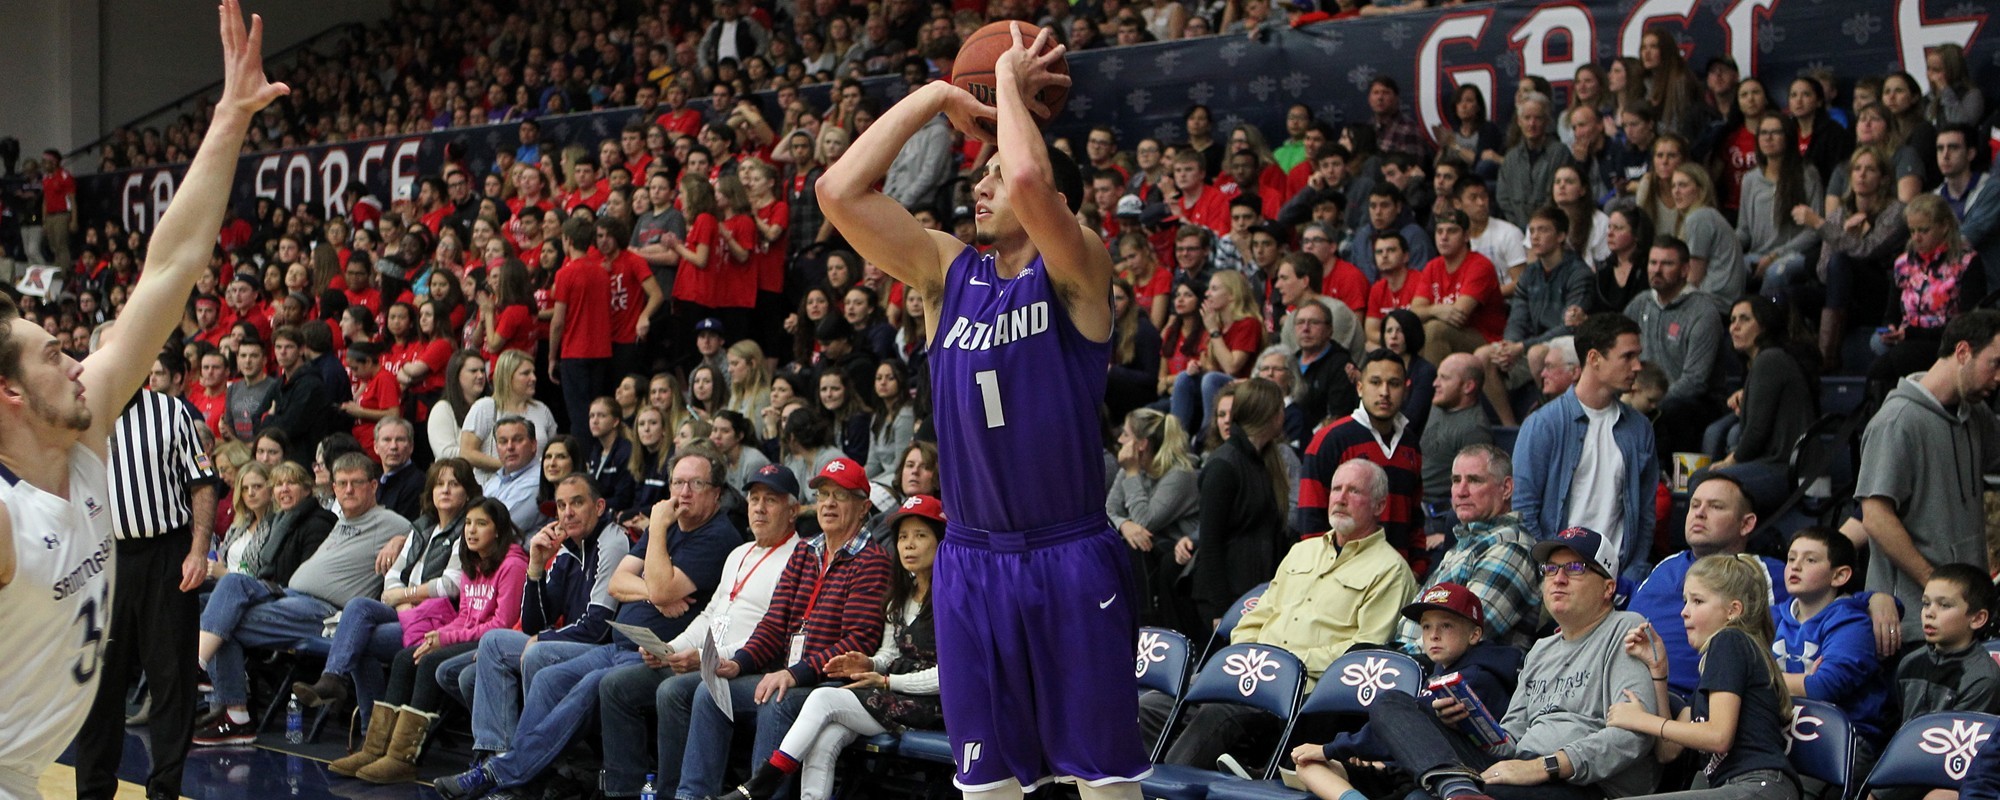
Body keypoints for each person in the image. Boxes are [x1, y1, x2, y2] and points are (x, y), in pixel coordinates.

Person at [816, 22, 1153, 797]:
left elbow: (1035, 185)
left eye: (995, 173)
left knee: (1102, 778)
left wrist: (1003, 80)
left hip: (1068, 554)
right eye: (981, 173)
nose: (982, 185)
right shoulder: (945, 271)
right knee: (989, 781)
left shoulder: (1079, 266)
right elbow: (838, 191)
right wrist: (939, 94)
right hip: (970, 560)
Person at [0, 7, 280, 790]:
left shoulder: (83, 437)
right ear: (12, 394)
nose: (80, 364)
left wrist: (228, 119)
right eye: (56, 354)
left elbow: (172, 265)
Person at [435, 455, 739, 798]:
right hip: (620, 645)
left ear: (716, 493)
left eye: (695, 484)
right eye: (677, 483)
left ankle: (499, 774)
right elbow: (619, 584)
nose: (683, 493)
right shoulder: (572, 546)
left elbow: (656, 589)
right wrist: (536, 568)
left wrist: (656, 532)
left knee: (590, 682)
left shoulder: (714, 535)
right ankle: (512, 773)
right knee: (545, 676)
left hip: (656, 654)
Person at [1144, 459, 1417, 769]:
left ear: (1380, 505)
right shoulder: (1302, 551)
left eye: (1354, 491)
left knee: (1214, 715)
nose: (1340, 498)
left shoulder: (1391, 571)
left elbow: (1364, 653)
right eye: (1336, 488)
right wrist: (1249, 658)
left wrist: (1282, 665)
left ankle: (1170, 790)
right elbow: (1256, 617)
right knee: (1150, 705)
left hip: (1299, 696)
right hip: (1247, 675)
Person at [1349, 527, 1660, 800]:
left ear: (1608, 588)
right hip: (1519, 767)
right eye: (1550, 569)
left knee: (1423, 795)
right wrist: (1469, 725)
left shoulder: (1626, 630)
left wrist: (1542, 767)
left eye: (1575, 568)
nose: (1558, 579)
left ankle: (1456, 788)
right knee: (1391, 702)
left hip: (1583, 783)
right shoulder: (1541, 649)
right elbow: (1510, 740)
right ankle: (1455, 787)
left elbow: (1631, 737)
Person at [713, 494, 947, 800]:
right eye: (903, 536)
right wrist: (868, 664)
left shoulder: (953, 600)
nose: (908, 545)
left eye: (920, 535)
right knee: (825, 739)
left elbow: (950, 676)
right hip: (889, 696)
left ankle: (761, 784)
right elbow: (889, 655)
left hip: (934, 705)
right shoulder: (899, 598)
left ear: (941, 541)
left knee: (824, 698)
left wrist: (889, 680)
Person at [194, 454, 409, 746]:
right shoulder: (342, 520)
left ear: (373, 486)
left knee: (222, 623)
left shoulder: (391, 522)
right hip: (287, 594)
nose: (348, 490)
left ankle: (233, 712)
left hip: (322, 611)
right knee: (230, 585)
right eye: (342, 484)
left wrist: (401, 540)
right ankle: (206, 673)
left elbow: (425, 528)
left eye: (356, 483)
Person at [75, 383, 221, 800]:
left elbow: (203, 482)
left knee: (172, 681)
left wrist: (198, 550)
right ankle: (92, 791)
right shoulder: (80, 412)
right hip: (103, 558)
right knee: (99, 685)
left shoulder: (172, 412)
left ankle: (164, 792)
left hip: (166, 554)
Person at [318, 497, 526, 783]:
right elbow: (465, 614)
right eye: (467, 523)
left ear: (499, 530)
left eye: (481, 524)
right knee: (407, 657)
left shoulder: (513, 565)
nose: (471, 531)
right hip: (468, 633)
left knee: (427, 663)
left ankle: (403, 758)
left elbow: (500, 625)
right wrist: (439, 635)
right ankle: (375, 748)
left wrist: (445, 637)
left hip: (491, 643)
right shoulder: (472, 561)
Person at [289, 458, 481, 717]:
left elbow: (452, 584)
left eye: (454, 484)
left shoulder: (467, 531)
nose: (445, 490)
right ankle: (333, 679)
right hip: (407, 612)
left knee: (360, 639)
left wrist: (404, 596)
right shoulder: (422, 527)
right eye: (439, 484)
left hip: (439, 617)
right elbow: (392, 574)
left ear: (467, 492)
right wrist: (403, 604)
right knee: (358, 607)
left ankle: (371, 728)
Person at [1855, 310, 2000, 648]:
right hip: (1917, 621)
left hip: (1965, 617)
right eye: (1994, 363)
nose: (1998, 378)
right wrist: (1937, 586)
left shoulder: (1973, 414)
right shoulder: (1897, 421)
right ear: (1963, 352)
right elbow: (1875, 518)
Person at [1608, 554, 1799, 800]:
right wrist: (1659, 672)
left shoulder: (1729, 641)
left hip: (1759, 787)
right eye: (1685, 601)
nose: (1684, 612)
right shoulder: (1716, 667)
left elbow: (1718, 737)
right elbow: (1667, 750)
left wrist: (1640, 720)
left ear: (1733, 610)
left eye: (1697, 601)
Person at [1512, 313, 1658, 582]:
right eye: (1627, 356)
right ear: (1593, 358)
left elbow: (1645, 513)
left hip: (1616, 581)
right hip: (1557, 579)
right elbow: (1523, 510)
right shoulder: (1545, 424)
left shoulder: (1640, 428)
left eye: (1638, 356)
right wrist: (1552, 572)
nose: (1637, 366)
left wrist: (1632, 575)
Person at [1628, 474, 1789, 695]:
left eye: (1715, 506)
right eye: (1694, 505)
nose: (1699, 513)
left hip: (1692, 704)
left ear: (1746, 524)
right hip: (1620, 687)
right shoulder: (1667, 563)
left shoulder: (1763, 573)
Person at [1396, 444, 1540, 651]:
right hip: (1413, 668)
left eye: (1474, 480)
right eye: (1456, 480)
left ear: (1506, 488)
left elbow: (1460, 638)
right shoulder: (1466, 542)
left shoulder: (1512, 547)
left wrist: (1392, 661)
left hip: (1455, 678)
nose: (1461, 492)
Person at [1297, 351, 1423, 567]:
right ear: (1360, 387)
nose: (1384, 392)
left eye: (1394, 383)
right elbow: (1310, 519)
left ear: (1406, 389)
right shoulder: (1329, 440)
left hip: (1400, 577)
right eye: (1375, 382)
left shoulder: (1410, 443)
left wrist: (1418, 568)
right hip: (1342, 576)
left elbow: (1415, 517)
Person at [1773, 527, 1892, 755]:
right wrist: (1802, 681)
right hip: (1783, 734)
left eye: (1810, 560)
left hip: (1843, 743)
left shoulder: (1852, 624)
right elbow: (1733, 673)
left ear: (1839, 576)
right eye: (1791, 558)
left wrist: (1757, 677)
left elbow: (1823, 687)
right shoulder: (1773, 615)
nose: (1795, 566)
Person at [1188, 378, 1291, 624]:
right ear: (1267, 413)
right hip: (1227, 600)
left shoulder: (1263, 460)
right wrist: (1220, 610)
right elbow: (1210, 543)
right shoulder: (1223, 465)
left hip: (1254, 594)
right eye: (1280, 409)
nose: (1283, 415)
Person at [1624, 236, 1727, 455]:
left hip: (1696, 403)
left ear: (1685, 269)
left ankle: (1668, 483)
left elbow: (1695, 381)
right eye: (1653, 263)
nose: (1657, 270)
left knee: (1668, 410)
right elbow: (1618, 351)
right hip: (1643, 394)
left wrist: (1650, 400)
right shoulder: (1640, 303)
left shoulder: (1703, 312)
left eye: (1667, 264)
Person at [1108, 409, 1201, 636]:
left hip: (1184, 549)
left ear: (1142, 444)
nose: (1119, 440)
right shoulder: (1134, 466)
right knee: (1126, 543)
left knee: (1136, 545)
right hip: (1155, 546)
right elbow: (1109, 508)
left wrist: (1131, 473)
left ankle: (1148, 626)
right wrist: (1123, 525)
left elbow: (1145, 521)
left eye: (1126, 435)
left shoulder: (1179, 473)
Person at [1894, 564, 2000, 724]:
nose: (1929, 613)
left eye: (1944, 605)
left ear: (1977, 619)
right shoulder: (1910, 662)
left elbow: (1957, 740)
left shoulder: (1982, 678)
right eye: (1926, 603)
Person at [1418, 356, 1493, 531]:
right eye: (1437, 376)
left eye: (1444, 378)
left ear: (1468, 386)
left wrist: (1447, 536)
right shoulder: (1439, 405)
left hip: (1438, 519)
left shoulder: (1474, 429)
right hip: (1415, 505)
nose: (1435, 383)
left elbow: (1476, 493)